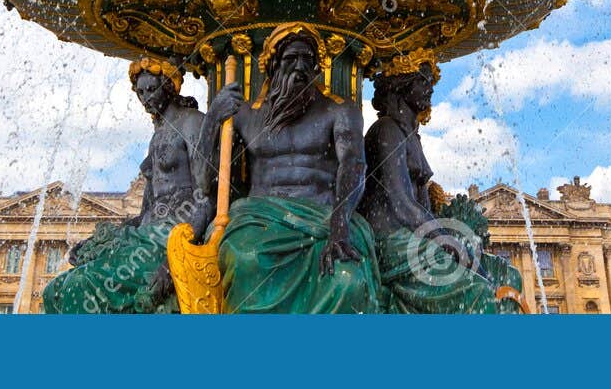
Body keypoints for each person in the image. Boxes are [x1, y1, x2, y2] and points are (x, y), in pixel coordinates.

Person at [199, 24, 381, 312]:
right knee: (247, 259)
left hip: (325, 217)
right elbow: (206, 182)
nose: (300, 68)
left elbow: (354, 164)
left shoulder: (341, 111)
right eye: (291, 59)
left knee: (349, 280)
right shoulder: (245, 115)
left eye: (308, 61)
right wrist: (211, 120)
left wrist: (339, 224)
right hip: (260, 219)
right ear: (272, 66)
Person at [42, 57, 208, 313]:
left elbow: (208, 192)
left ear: (168, 87)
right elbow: (144, 212)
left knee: (80, 284)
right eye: (140, 92)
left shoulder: (192, 122)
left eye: (151, 90)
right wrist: (99, 239)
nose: (145, 99)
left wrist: (175, 256)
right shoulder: (158, 136)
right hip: (147, 232)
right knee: (55, 290)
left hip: (173, 235)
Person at [359, 51, 504, 313]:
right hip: (388, 241)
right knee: (476, 292)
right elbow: (401, 204)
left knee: (502, 276)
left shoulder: (412, 137)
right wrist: (447, 240)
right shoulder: (387, 131)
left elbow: (424, 208)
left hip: (412, 238)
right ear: (402, 85)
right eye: (422, 81)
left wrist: (454, 240)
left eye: (430, 83)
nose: (429, 90)